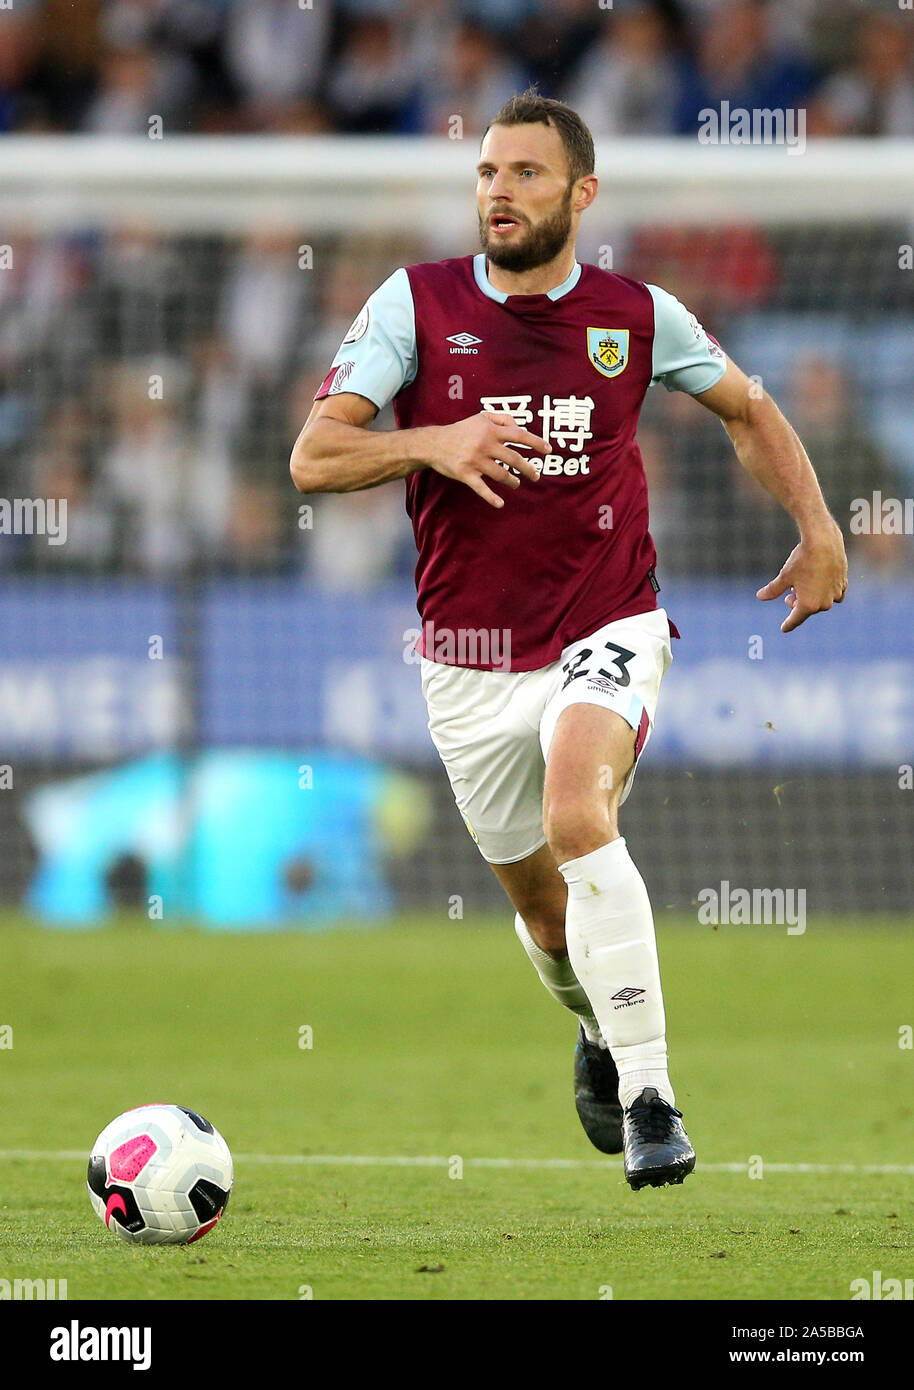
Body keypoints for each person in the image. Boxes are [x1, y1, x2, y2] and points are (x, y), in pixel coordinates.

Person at [289, 90, 847, 1191]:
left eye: (525, 174)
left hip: (608, 621)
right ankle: (595, 1030)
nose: (498, 191)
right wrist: (434, 441)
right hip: (465, 660)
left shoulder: (637, 316)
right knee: (545, 916)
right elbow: (314, 457)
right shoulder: (415, 305)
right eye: (487, 173)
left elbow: (747, 407)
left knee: (574, 808)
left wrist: (820, 527)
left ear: (581, 193)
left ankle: (651, 1097)